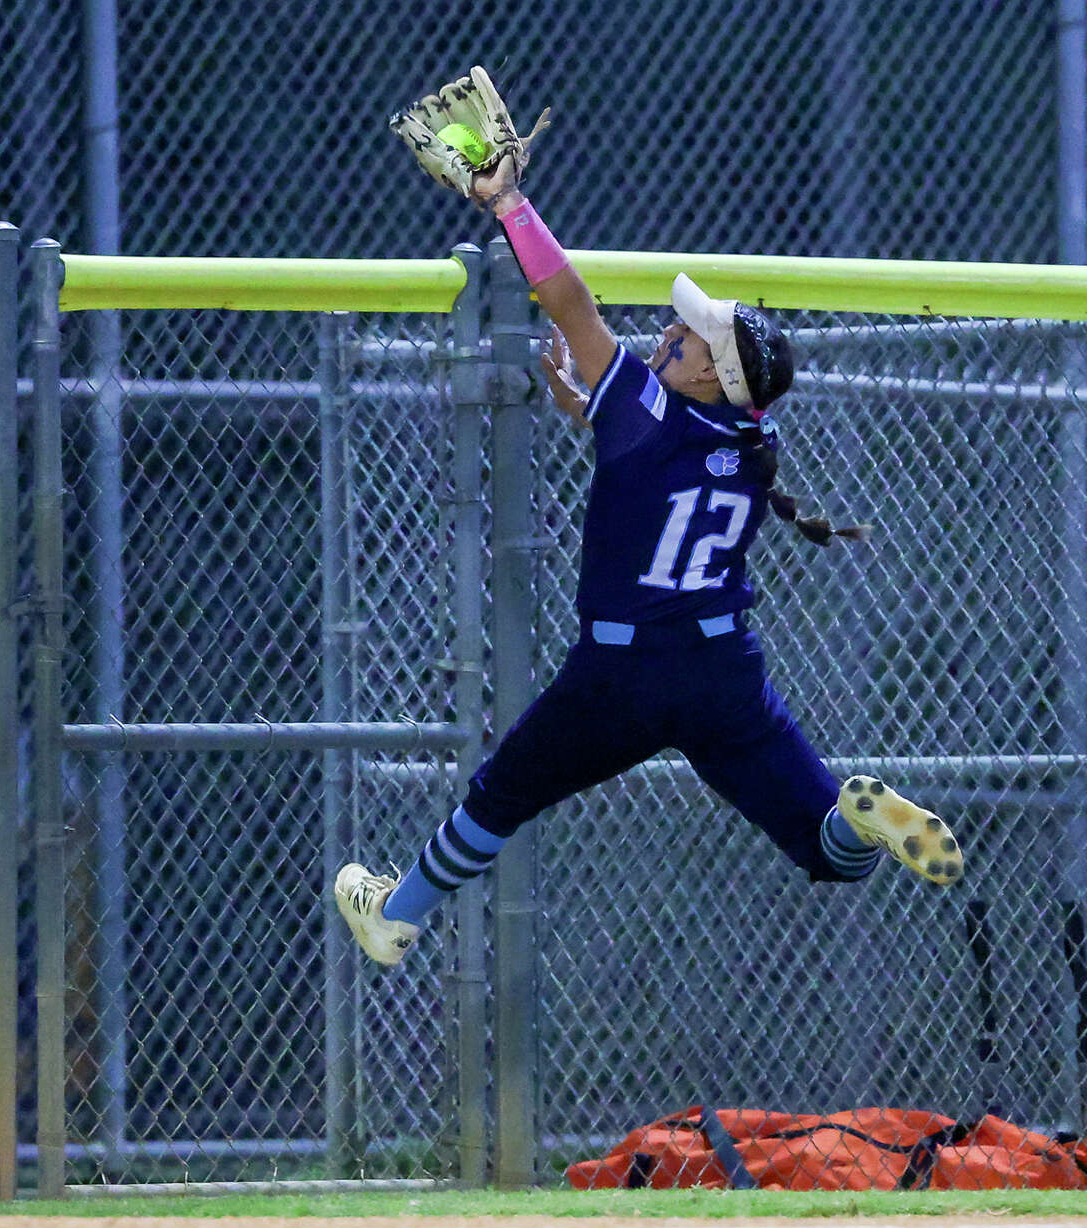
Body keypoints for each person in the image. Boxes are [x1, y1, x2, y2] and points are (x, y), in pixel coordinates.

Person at [335, 126, 964, 967]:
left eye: (693, 336)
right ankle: (856, 821)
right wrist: (585, 407)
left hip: (620, 674)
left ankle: (396, 917)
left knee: (499, 796)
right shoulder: (749, 444)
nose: (672, 331)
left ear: (712, 377)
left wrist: (507, 202)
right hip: (720, 671)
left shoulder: (650, 411)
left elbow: (570, 305)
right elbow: (652, 466)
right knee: (824, 851)